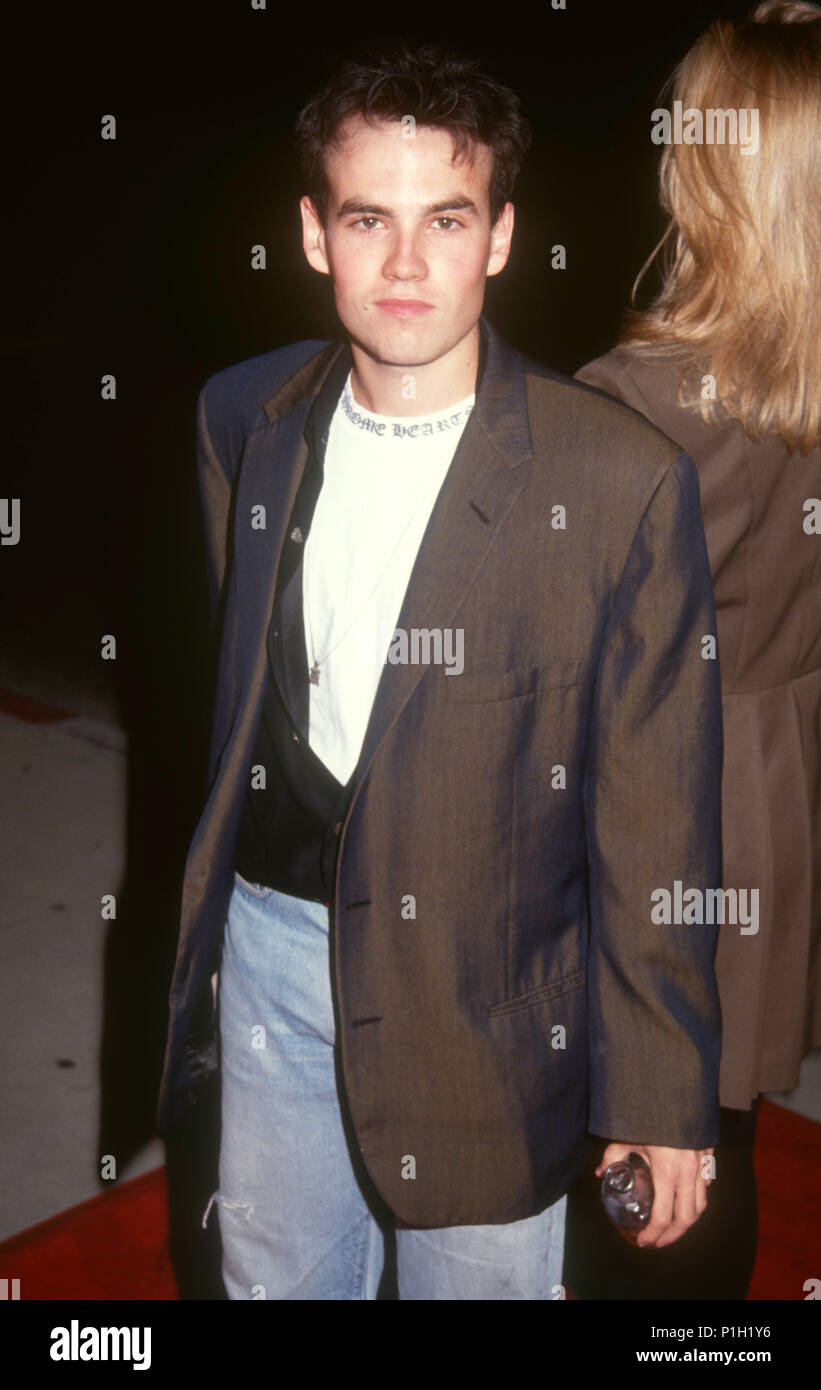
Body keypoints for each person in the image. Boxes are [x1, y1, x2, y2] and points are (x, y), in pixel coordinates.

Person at [157, 41, 725, 1300]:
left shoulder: (615, 481)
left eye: (445, 219)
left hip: (486, 1006)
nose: (405, 264)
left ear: (503, 236)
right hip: (268, 954)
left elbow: (656, 811)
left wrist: (660, 1084)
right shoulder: (242, 419)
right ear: (313, 235)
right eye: (368, 218)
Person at [568, 0, 821, 1300]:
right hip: (778, 797)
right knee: (717, 1136)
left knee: (627, 1177)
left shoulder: (625, 406)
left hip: (655, 821)